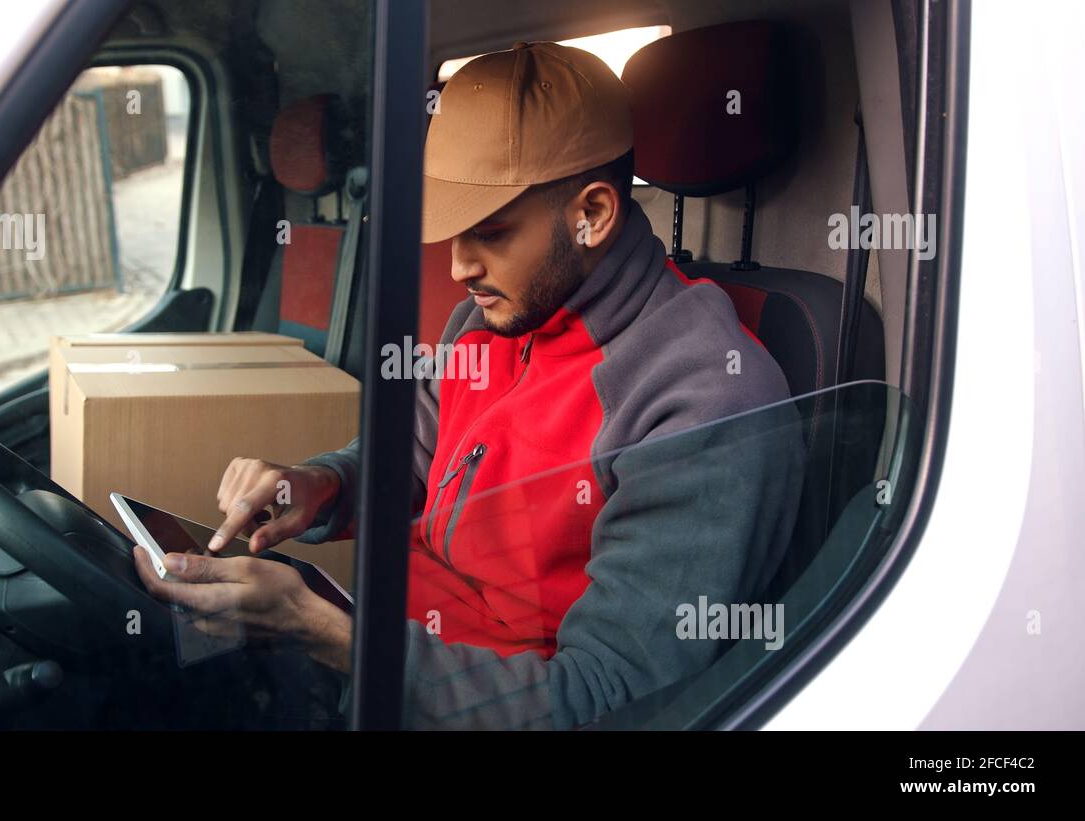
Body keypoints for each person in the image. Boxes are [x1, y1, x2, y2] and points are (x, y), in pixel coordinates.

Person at [133, 41, 805, 729]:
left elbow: (609, 701)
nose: (457, 267)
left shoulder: (705, 401)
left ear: (594, 215)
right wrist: (315, 485)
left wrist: (326, 632)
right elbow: (408, 461)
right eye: (449, 232)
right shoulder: (485, 323)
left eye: (489, 232)